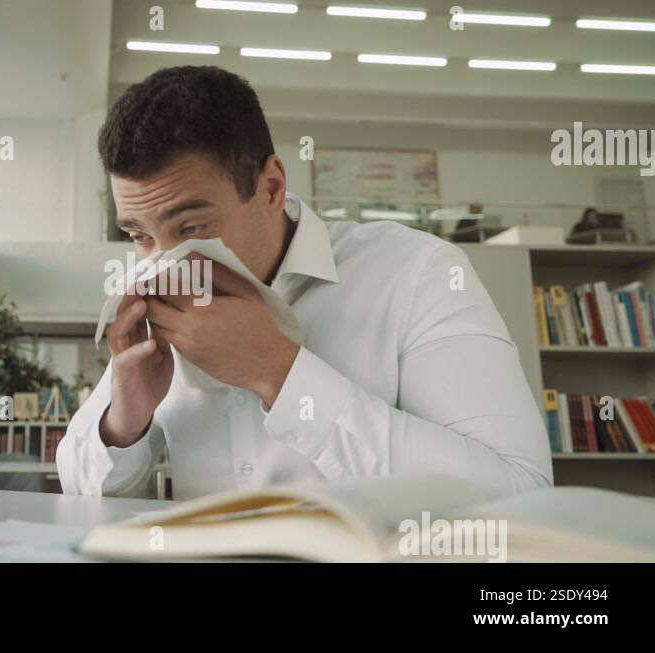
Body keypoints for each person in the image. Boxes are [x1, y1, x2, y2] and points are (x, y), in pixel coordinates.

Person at [56, 66, 552, 501]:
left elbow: (517, 495)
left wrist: (278, 372)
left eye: (191, 229)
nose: (165, 264)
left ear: (270, 187)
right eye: (140, 235)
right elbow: (81, 489)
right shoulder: (156, 291)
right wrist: (125, 422)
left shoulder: (419, 272)